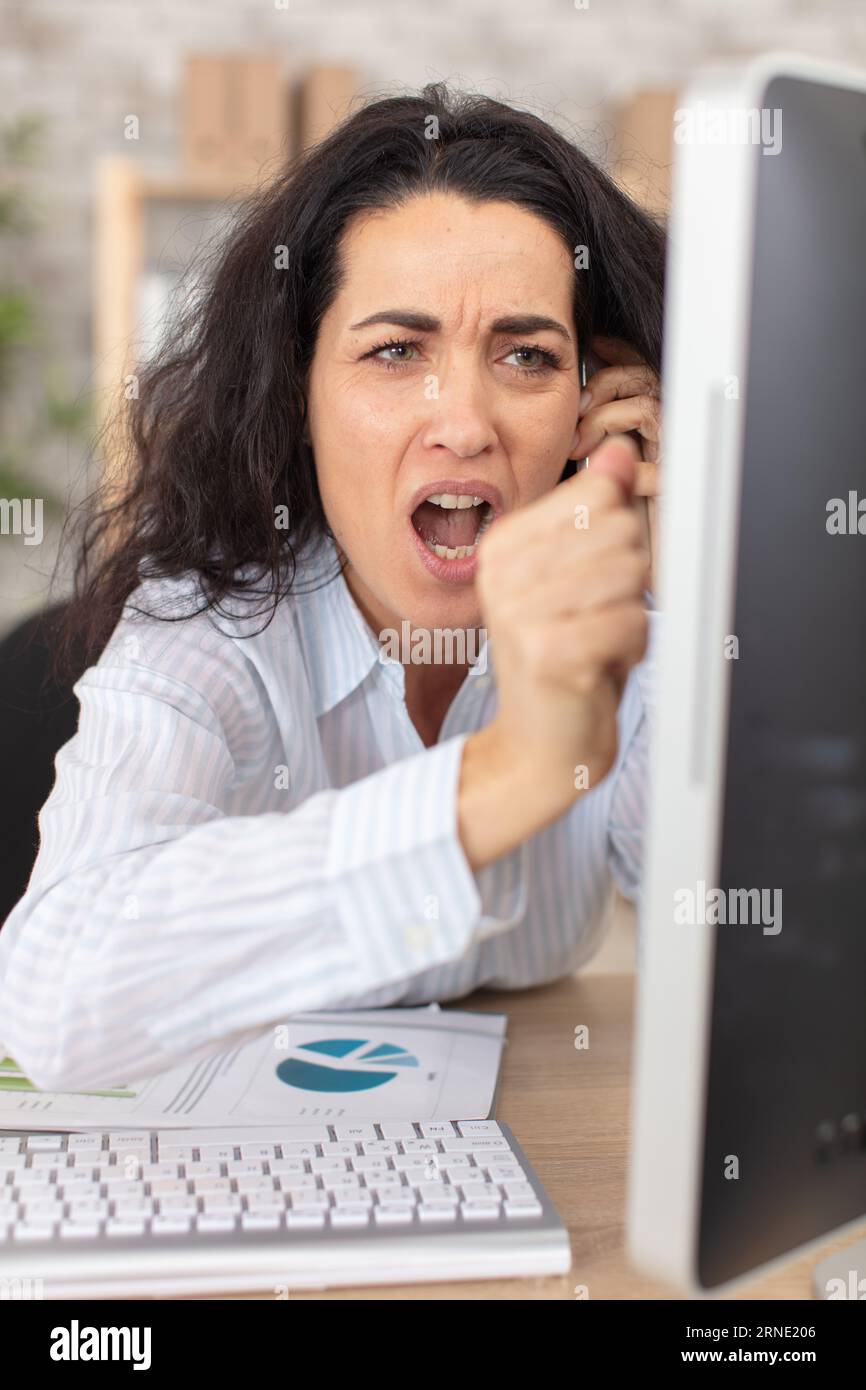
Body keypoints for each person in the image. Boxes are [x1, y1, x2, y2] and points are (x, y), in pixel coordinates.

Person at [0, 83, 663, 1091]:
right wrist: (509, 772)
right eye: (395, 351)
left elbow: (777, 940)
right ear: (295, 393)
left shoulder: (643, 625)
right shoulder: (209, 622)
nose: (463, 421)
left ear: (594, 409)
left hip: (529, 1143)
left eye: (526, 355)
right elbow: (53, 1006)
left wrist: (718, 587)